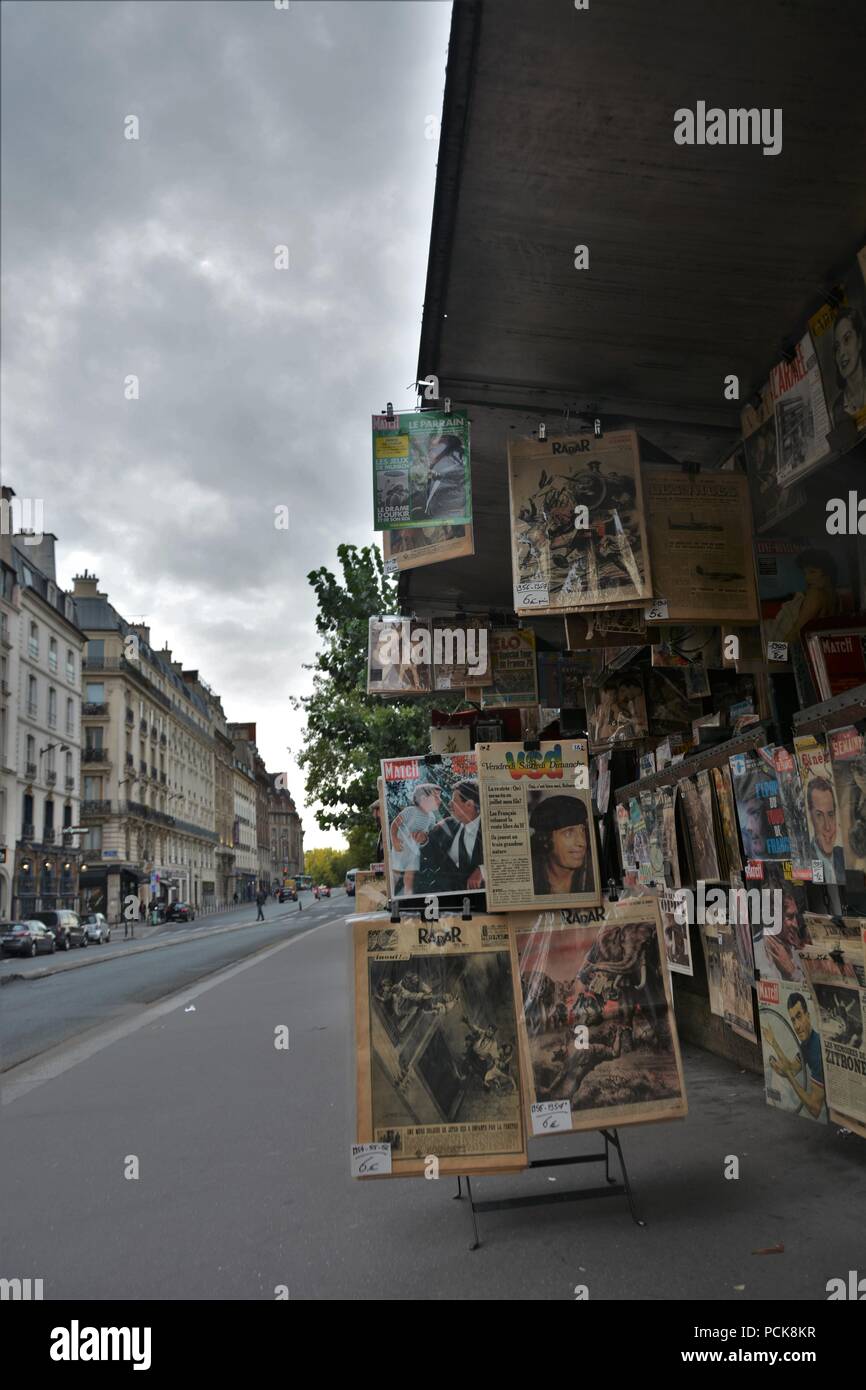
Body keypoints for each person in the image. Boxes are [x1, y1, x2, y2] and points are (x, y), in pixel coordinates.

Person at [762, 992, 826, 1120]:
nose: (796, 1026)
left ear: (808, 1016)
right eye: (793, 1020)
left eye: (799, 1016)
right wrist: (774, 1043)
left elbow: (815, 1110)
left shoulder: (817, 1049)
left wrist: (788, 1074)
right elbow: (792, 1068)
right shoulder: (807, 1043)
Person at [416, 779, 484, 894]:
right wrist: (423, 840)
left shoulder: (491, 828)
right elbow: (428, 853)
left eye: (454, 801)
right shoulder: (445, 825)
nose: (449, 804)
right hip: (445, 897)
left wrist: (483, 870)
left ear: (469, 804)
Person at [765, 548, 839, 645]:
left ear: (827, 573)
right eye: (805, 573)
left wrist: (775, 653)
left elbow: (796, 633)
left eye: (812, 572)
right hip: (773, 633)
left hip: (773, 636)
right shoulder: (834, 597)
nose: (807, 578)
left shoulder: (815, 594)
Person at [529, 795, 594, 896]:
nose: (582, 842)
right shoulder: (532, 876)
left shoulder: (592, 873)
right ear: (545, 840)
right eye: (568, 833)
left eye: (582, 830)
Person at [389, 782, 443, 896]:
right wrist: (394, 839)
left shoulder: (431, 817)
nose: (440, 800)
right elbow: (395, 824)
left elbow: (430, 833)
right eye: (436, 797)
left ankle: (408, 895)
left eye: (440, 797)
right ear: (423, 799)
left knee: (410, 876)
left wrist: (425, 835)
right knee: (395, 874)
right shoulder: (410, 811)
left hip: (414, 852)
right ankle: (389, 894)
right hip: (401, 848)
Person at [829, 305, 866, 426]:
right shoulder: (837, 410)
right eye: (837, 347)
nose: (841, 353)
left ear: (859, 341)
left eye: (847, 339)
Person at [806, 776, 845, 883]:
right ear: (810, 817)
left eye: (830, 814)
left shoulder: (844, 856)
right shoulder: (806, 859)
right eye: (819, 815)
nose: (827, 827)